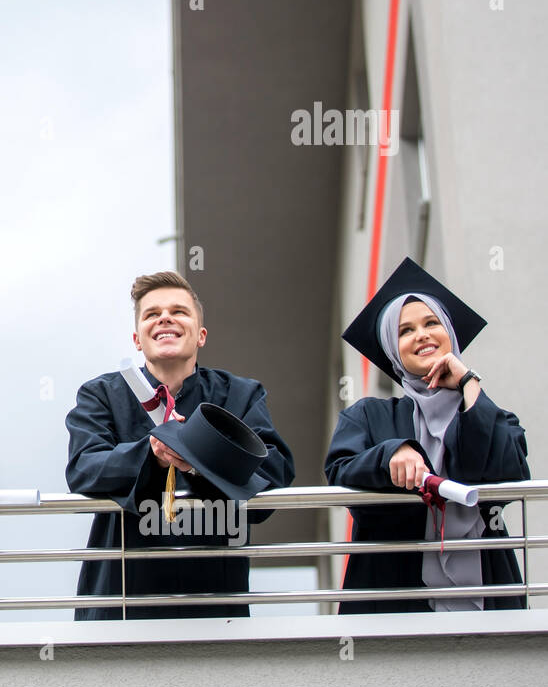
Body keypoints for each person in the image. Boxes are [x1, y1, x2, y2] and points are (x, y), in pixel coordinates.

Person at [65, 271, 295, 619]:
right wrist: (151, 454)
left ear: (201, 335)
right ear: (137, 339)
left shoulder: (241, 394)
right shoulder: (101, 395)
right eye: (151, 314)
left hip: (215, 604)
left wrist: (198, 458)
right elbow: (84, 470)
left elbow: (274, 474)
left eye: (179, 311)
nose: (165, 318)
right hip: (121, 602)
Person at [325, 257, 529, 613]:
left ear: (448, 332)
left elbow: (509, 475)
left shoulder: (492, 413)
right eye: (405, 330)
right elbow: (340, 474)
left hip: (488, 596)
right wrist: (391, 454)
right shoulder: (370, 415)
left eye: (431, 323)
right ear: (393, 349)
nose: (421, 335)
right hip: (396, 599)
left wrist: (469, 383)